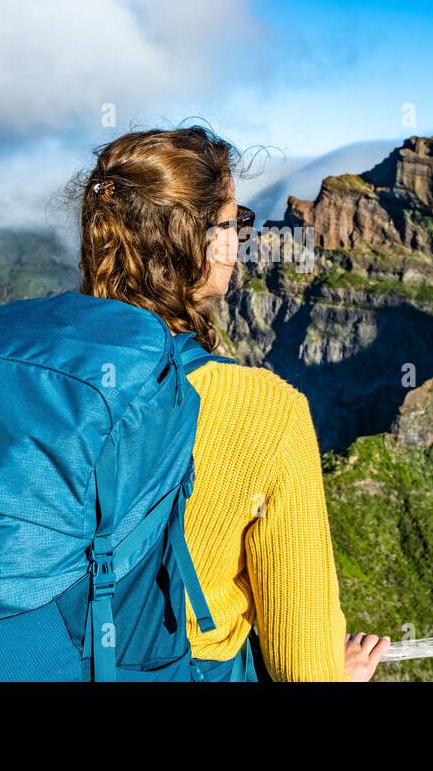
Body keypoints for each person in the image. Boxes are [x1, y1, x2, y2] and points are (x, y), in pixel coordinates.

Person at [73, 125, 389, 681]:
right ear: (202, 241)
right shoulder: (267, 412)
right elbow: (304, 669)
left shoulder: (40, 373)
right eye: (233, 223)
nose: (240, 239)